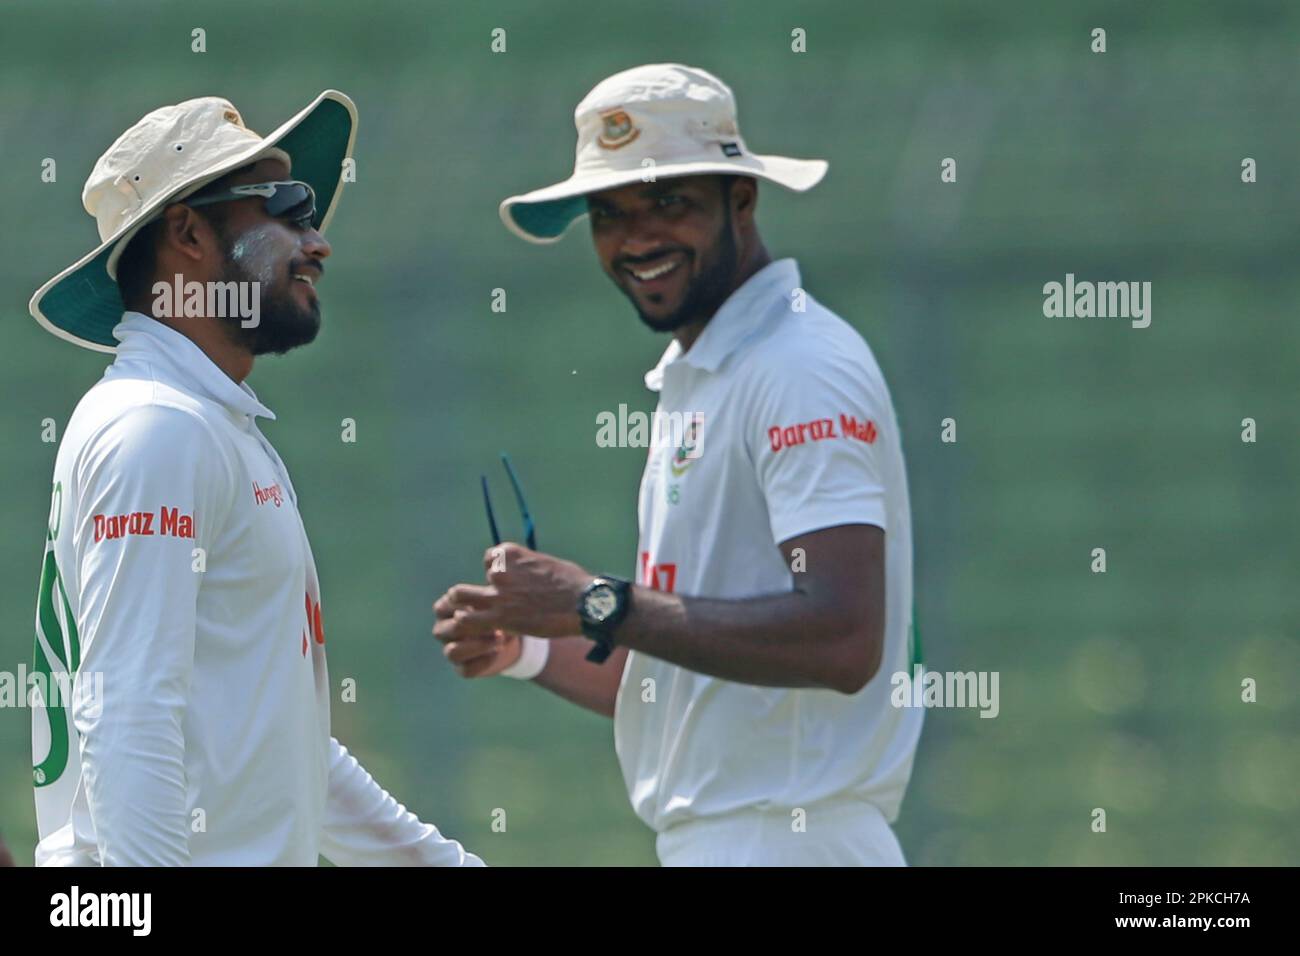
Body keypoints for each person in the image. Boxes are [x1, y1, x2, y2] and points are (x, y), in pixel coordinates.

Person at [435, 64, 923, 866]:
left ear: (742, 199)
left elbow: (841, 637)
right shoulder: (710, 371)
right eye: (609, 212)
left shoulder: (796, 367)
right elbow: (693, 681)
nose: (637, 239)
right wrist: (527, 647)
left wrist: (595, 602)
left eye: (669, 202)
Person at [28, 91, 481, 867]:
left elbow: (284, 751)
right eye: (288, 208)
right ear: (188, 232)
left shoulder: (209, 428)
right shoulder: (159, 429)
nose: (318, 242)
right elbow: (127, 714)